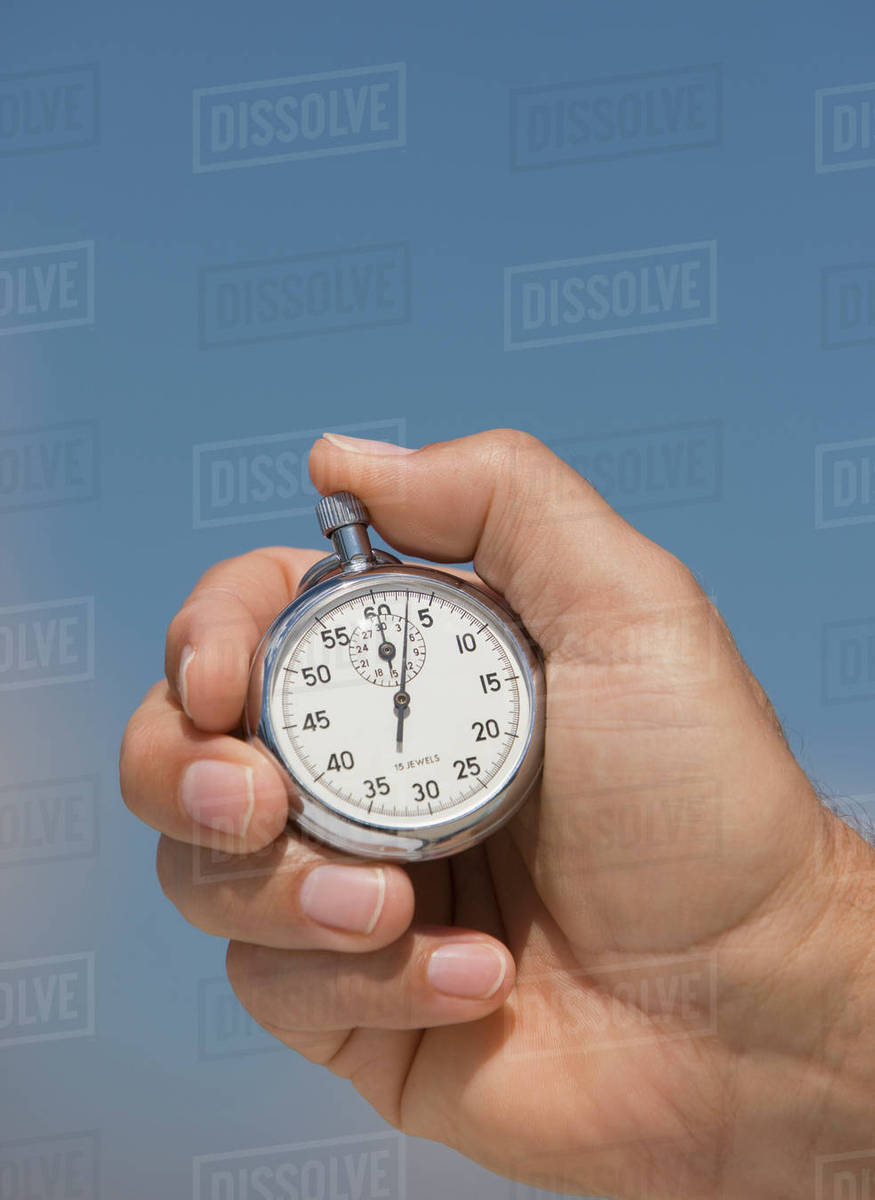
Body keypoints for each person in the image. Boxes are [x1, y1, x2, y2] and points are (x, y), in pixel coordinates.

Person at [119, 430, 874, 1199]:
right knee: (235, 793)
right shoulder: (301, 666)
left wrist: (801, 945)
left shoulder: (484, 643)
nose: (400, 697)